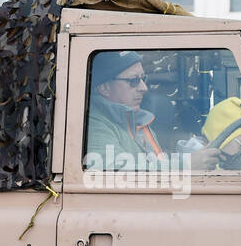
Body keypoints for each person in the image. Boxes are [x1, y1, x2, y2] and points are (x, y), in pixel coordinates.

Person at [85, 51, 222, 172]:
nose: (144, 88)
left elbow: (153, 165)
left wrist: (198, 156)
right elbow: (117, 173)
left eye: (143, 79)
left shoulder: (138, 121)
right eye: (134, 81)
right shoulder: (92, 126)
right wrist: (186, 165)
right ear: (104, 88)